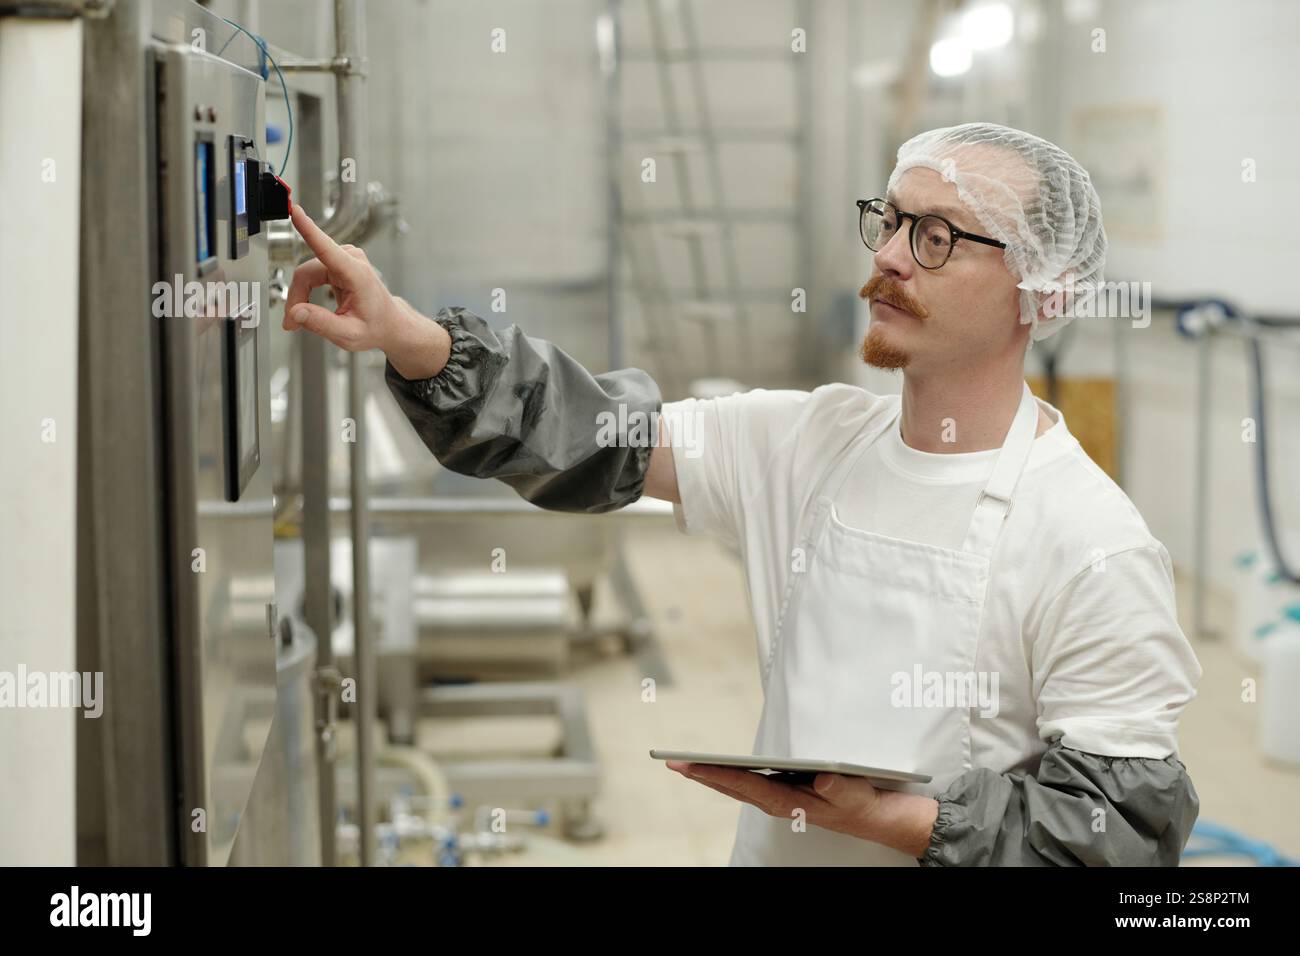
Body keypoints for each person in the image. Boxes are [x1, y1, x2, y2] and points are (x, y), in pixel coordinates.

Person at [284, 122, 1201, 866]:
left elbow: (1117, 843)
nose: (887, 257)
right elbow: (589, 434)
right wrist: (406, 335)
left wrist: (896, 823)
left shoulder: (1091, 542)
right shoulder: (808, 442)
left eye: (935, 238)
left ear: (1040, 290)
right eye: (888, 221)